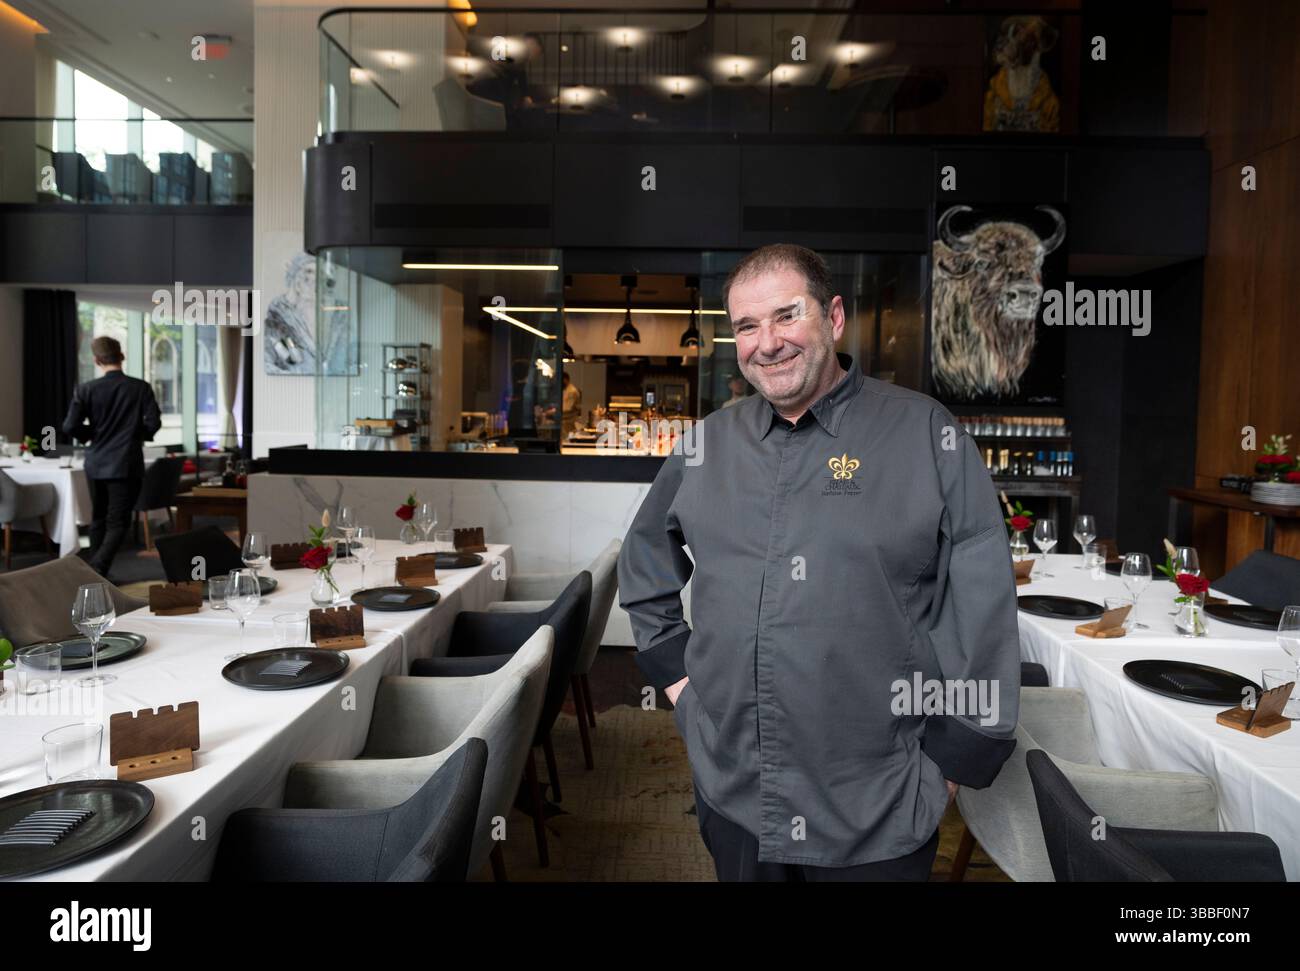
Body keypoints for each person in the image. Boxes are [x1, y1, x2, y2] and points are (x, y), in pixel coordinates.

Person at [618, 244, 1020, 881]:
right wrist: (681, 687)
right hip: (737, 789)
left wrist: (951, 762)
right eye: (747, 326)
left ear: (833, 318)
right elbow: (644, 561)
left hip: (879, 803)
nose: (767, 342)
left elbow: (983, 606)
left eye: (786, 316)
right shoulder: (707, 446)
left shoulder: (927, 437)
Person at [62, 336, 163, 578]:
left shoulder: (86, 389)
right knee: (118, 522)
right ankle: (97, 568)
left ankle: (95, 573)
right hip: (126, 463)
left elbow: (69, 426)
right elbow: (154, 423)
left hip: (96, 463)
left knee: (98, 519)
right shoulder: (140, 388)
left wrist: (94, 433)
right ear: (122, 356)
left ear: (97, 360)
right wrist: (132, 434)